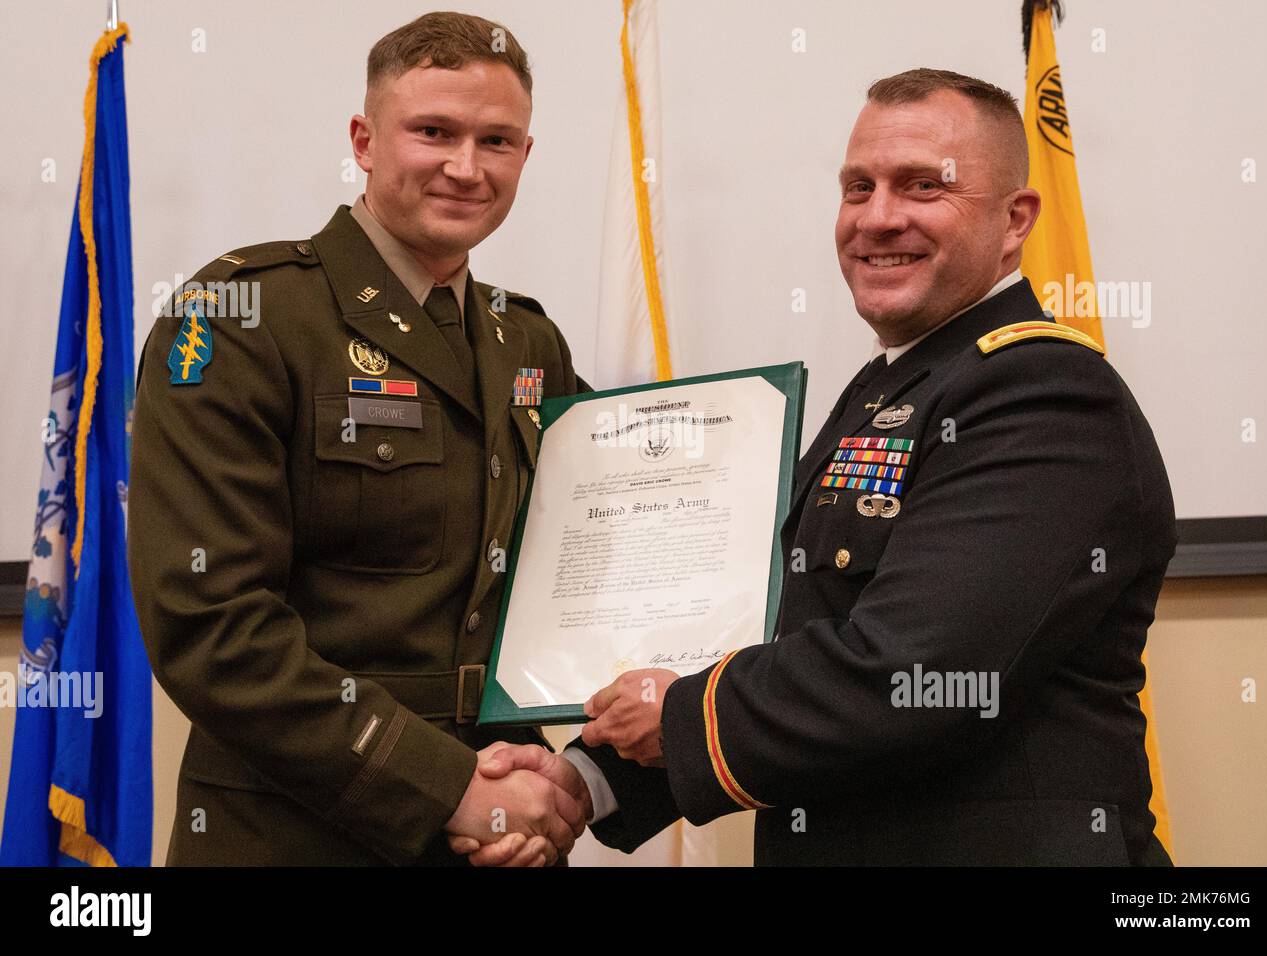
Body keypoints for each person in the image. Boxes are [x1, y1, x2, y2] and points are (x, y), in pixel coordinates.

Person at [463, 68, 1177, 866]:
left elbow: (915, 672)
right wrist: (580, 782)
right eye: (857, 187)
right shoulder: (893, 388)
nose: (877, 218)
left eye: (921, 187)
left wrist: (676, 718)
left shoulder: (1044, 394)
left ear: (1015, 221)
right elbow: (786, 630)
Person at [128, 11, 589, 866]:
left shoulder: (526, 342)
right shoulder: (243, 315)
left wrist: (560, 779)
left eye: (497, 140)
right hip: (295, 828)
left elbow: (602, 558)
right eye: (433, 132)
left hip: (503, 829)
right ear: (364, 140)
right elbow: (212, 626)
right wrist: (448, 787)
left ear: (525, 156)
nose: (465, 166)